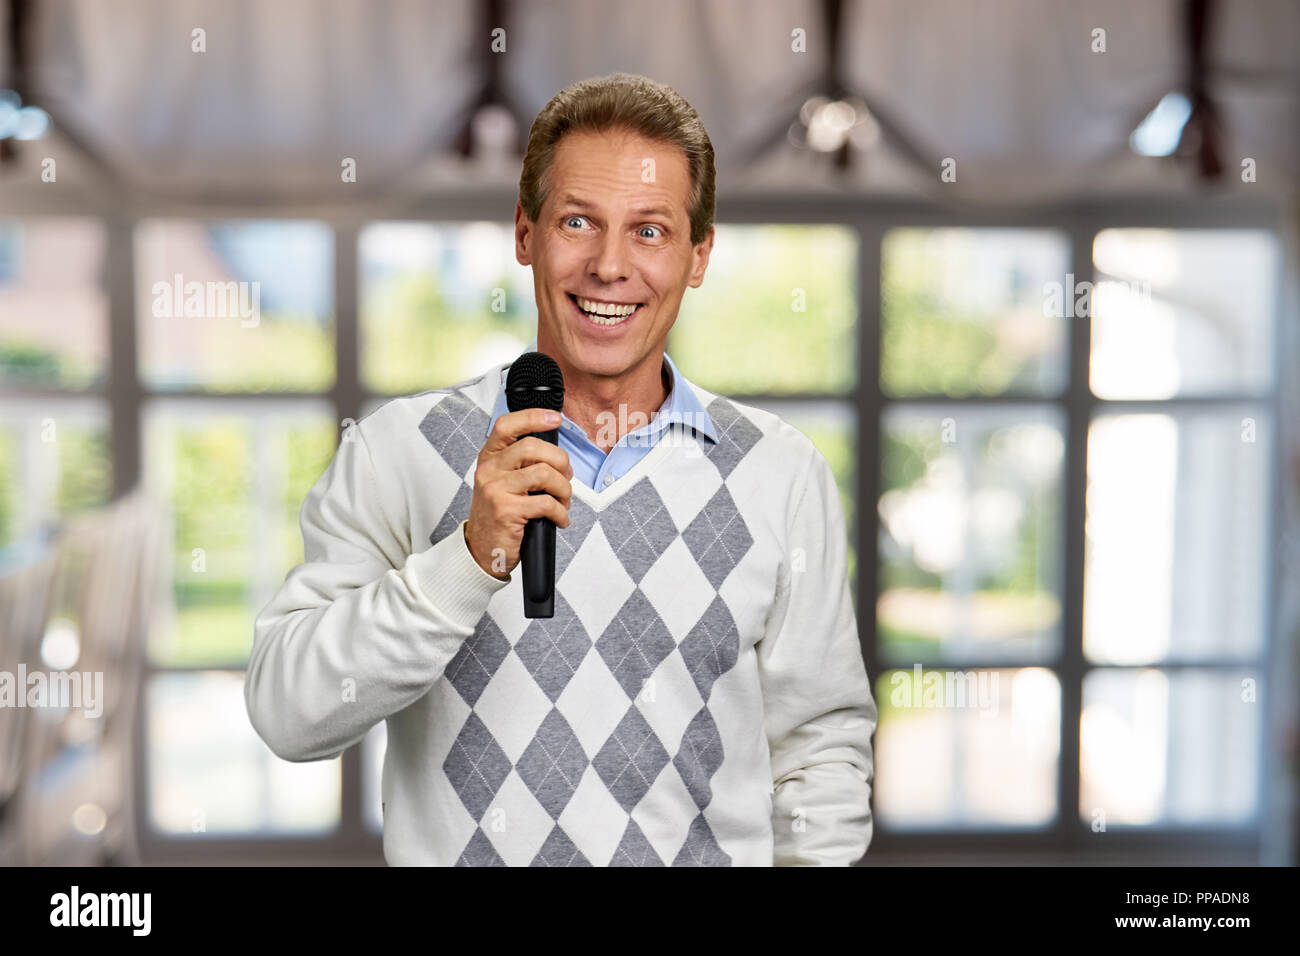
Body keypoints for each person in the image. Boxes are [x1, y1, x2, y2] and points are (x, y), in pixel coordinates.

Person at [245, 72, 877, 866]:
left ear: (698, 256)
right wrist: (465, 563)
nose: (610, 266)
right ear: (525, 233)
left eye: (650, 230)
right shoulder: (394, 453)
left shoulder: (780, 474)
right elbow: (287, 713)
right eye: (579, 221)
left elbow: (819, 748)